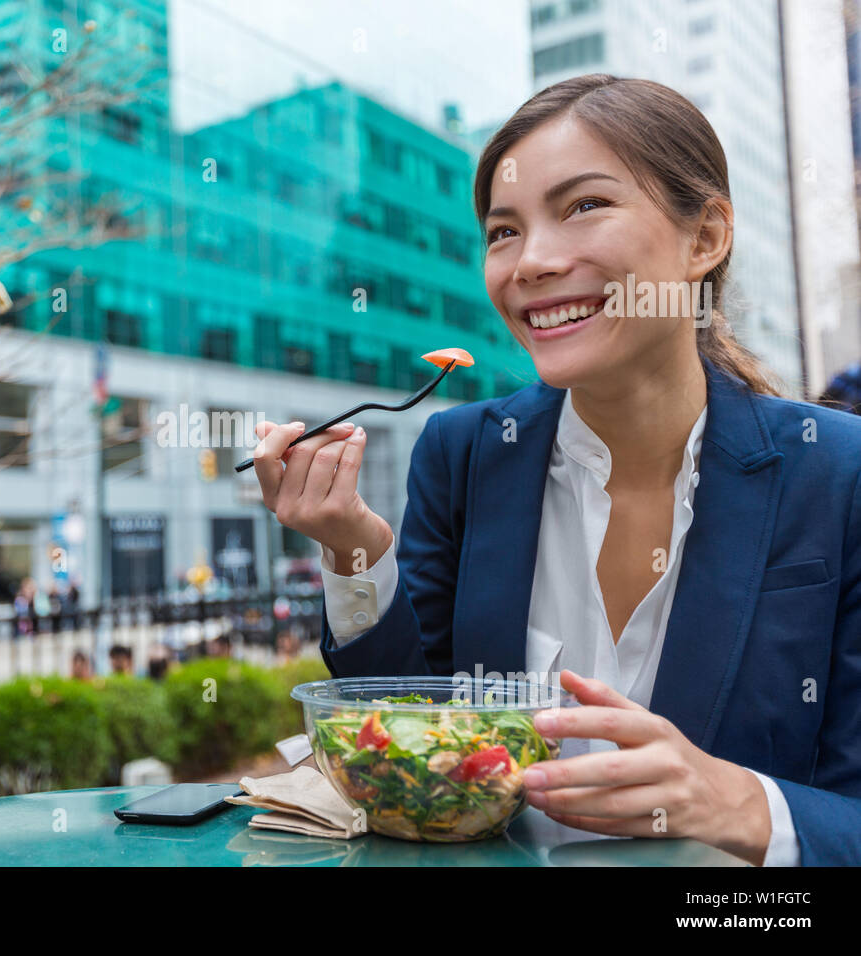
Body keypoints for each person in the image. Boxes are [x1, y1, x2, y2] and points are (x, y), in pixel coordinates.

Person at [250, 74, 861, 867]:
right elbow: (412, 740)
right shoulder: (461, 452)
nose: (531, 262)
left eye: (584, 207)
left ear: (705, 237)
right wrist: (351, 547)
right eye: (503, 231)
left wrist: (738, 803)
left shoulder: (839, 473)